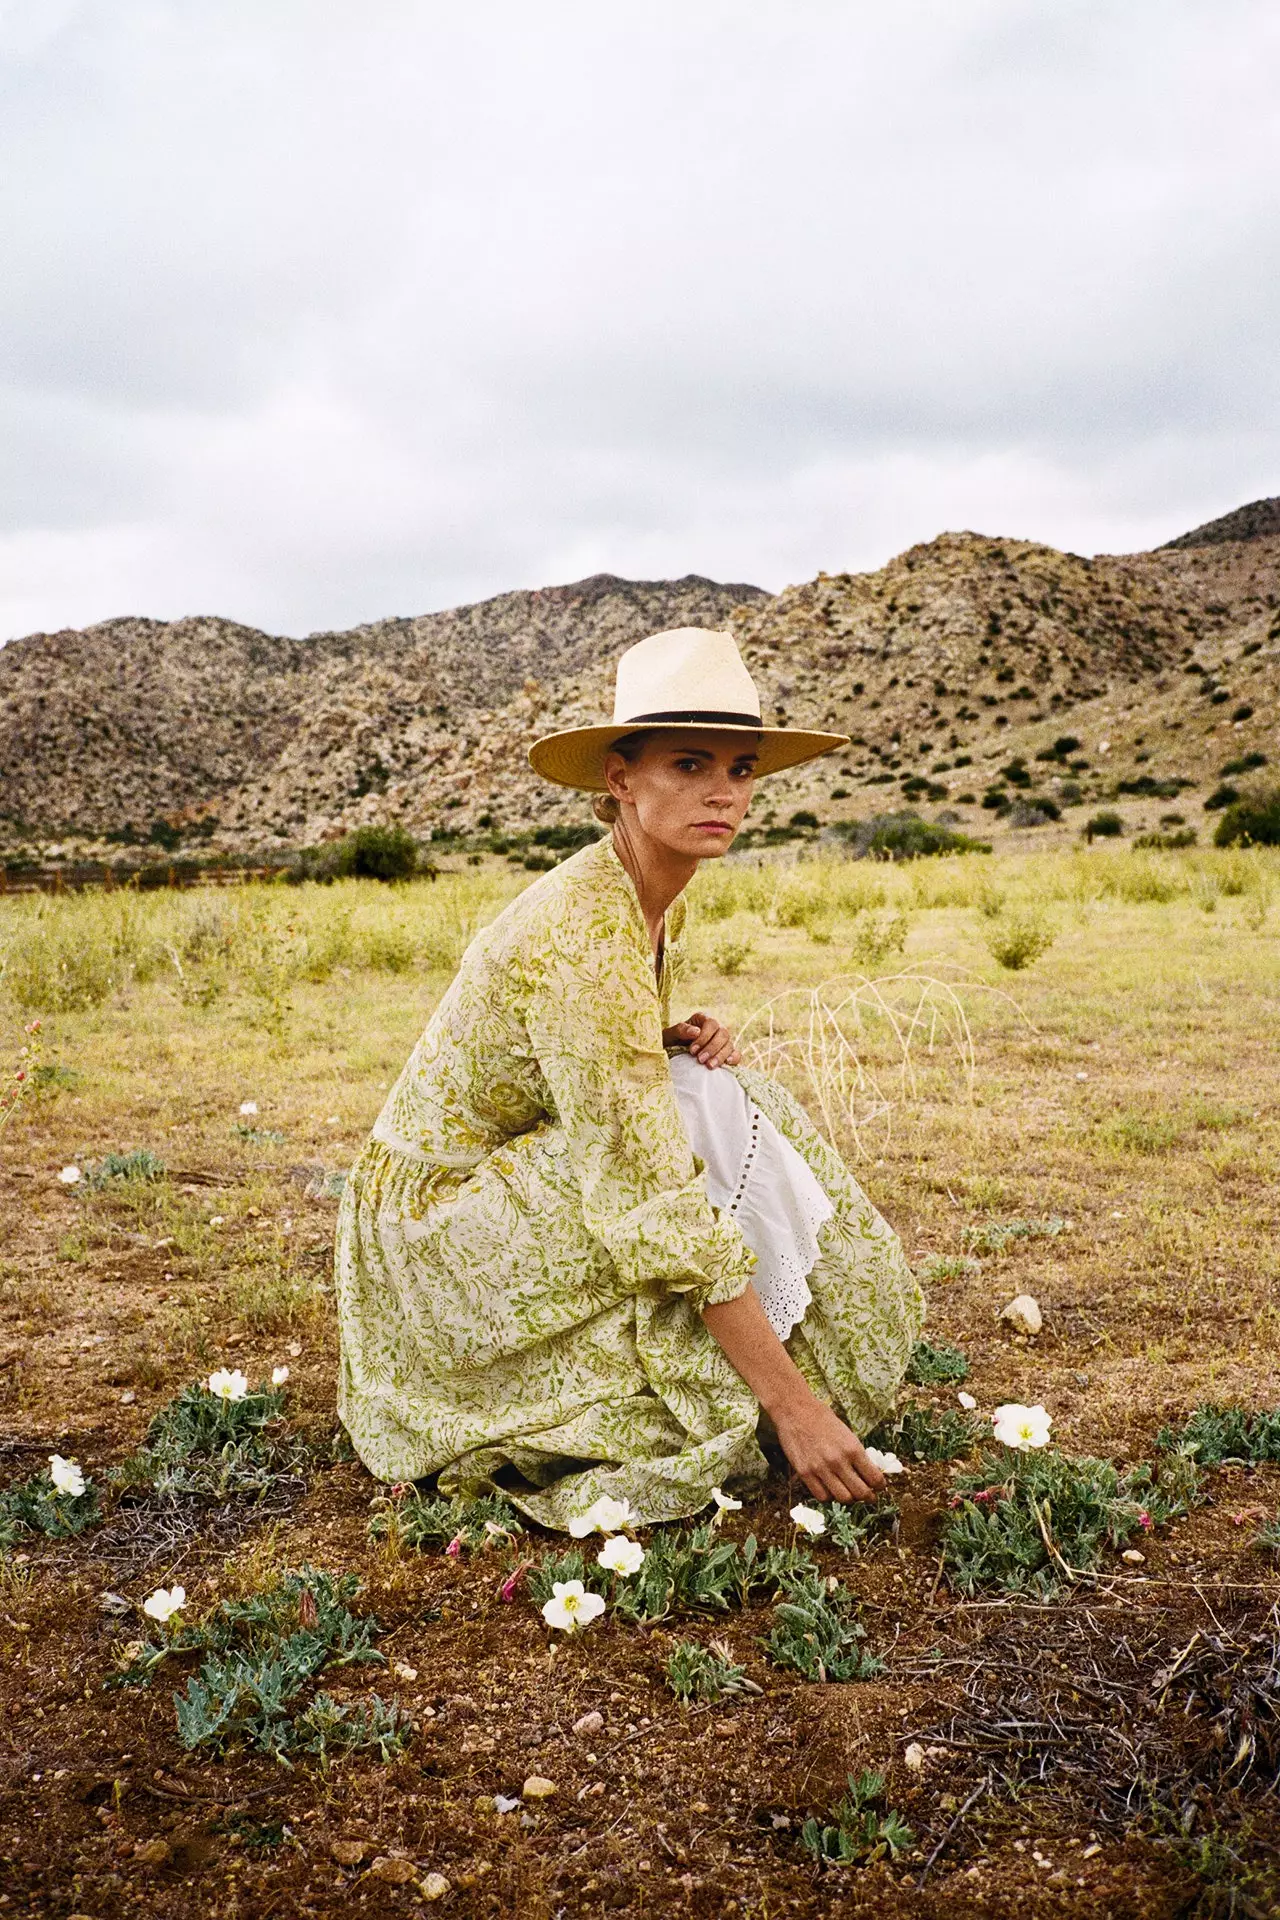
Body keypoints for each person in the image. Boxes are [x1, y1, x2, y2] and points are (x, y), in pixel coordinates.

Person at [334, 626, 923, 1529]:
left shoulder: (640, 893)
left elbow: (575, 1056)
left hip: (485, 1181)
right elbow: (645, 1196)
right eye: (689, 765)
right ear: (620, 778)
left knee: (722, 1095)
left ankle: (764, 1343)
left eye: (739, 767)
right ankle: (777, 1377)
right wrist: (793, 1409)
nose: (722, 792)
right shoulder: (579, 930)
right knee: (688, 1136)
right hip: (427, 1230)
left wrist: (657, 1036)